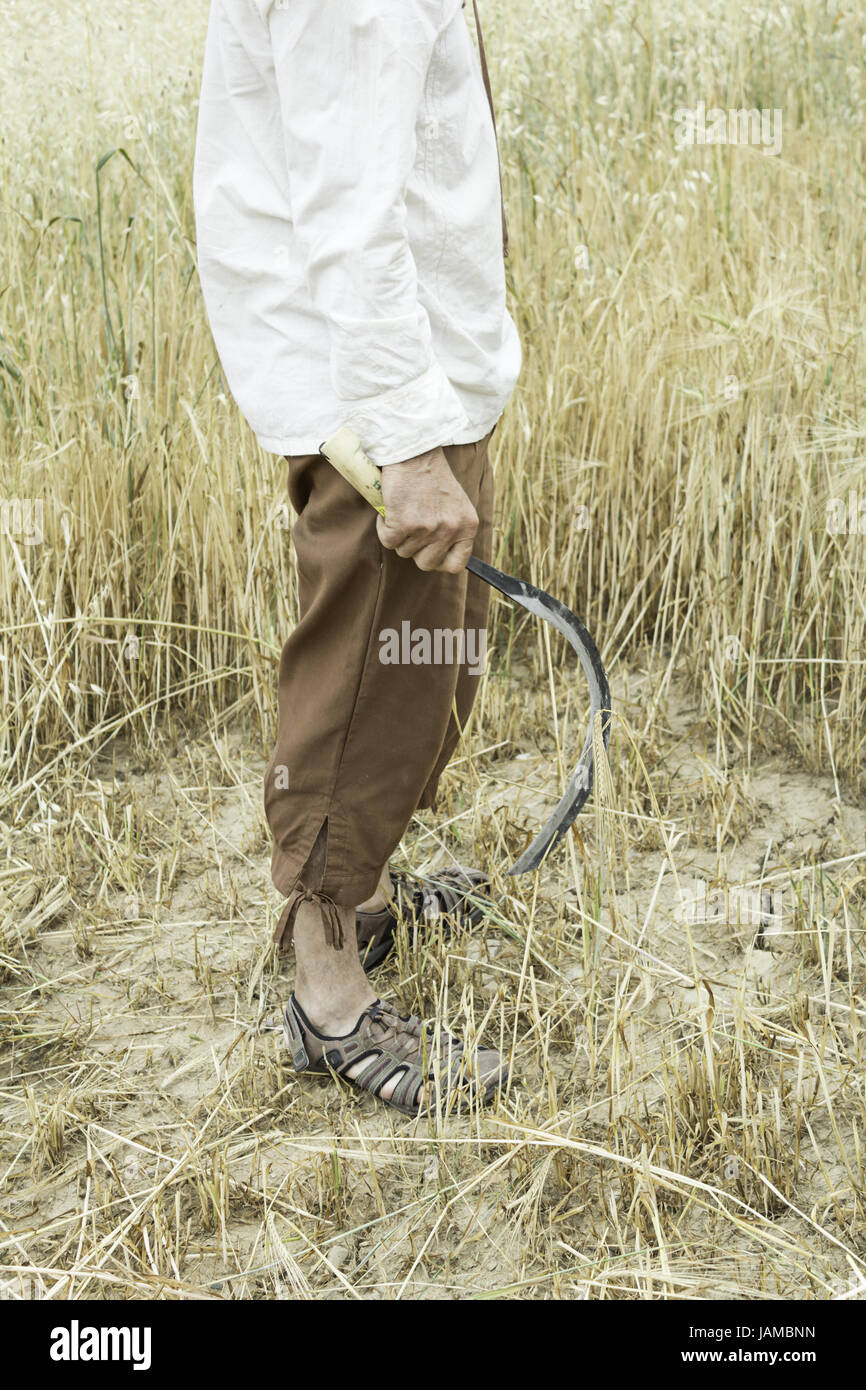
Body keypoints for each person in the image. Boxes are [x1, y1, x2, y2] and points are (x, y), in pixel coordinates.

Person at [193, 0, 522, 1115]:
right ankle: (326, 988)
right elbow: (347, 207)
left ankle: (363, 891)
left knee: (419, 675)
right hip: (381, 404)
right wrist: (409, 442)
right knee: (363, 691)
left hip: (408, 377)